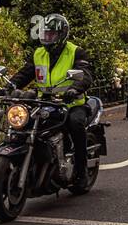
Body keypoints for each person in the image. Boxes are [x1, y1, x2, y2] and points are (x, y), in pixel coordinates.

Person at [8, 13, 94, 187]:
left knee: (75, 124)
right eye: (44, 34)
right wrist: (9, 86)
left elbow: (85, 74)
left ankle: (81, 170)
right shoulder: (39, 53)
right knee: (24, 123)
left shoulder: (76, 51)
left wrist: (74, 89)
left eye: (51, 35)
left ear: (62, 35)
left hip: (71, 103)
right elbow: (25, 73)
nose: (47, 38)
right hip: (45, 103)